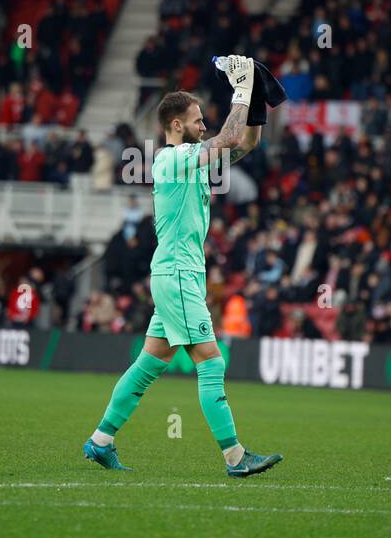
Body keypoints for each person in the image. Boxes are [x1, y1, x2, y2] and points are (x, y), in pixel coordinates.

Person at [83, 56, 283, 477]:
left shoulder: (192, 161)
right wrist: (240, 90)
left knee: (147, 365)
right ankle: (234, 456)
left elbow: (245, 143)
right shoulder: (170, 161)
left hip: (176, 274)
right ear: (176, 125)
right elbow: (228, 137)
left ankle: (101, 441)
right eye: (196, 120)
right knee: (211, 360)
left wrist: (256, 99)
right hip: (177, 275)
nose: (203, 126)